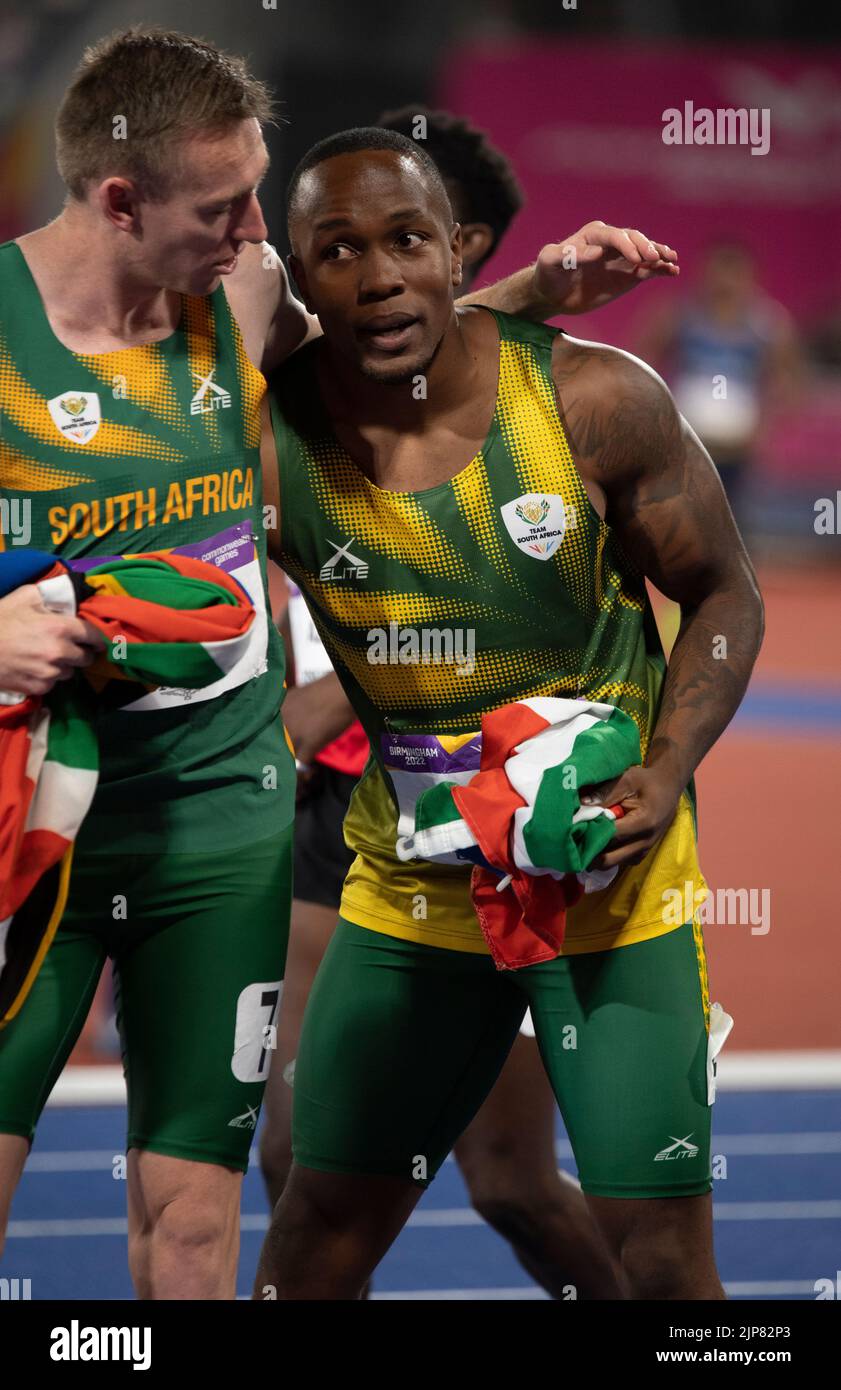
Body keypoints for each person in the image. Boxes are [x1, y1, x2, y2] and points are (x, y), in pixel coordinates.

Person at [0, 28, 677, 1299]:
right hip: (30, 829)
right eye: (225, 203)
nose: (258, 228)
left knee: (206, 1221)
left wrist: (535, 290)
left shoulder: (242, 301)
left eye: (256, 192)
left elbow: (394, 350)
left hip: (219, 824)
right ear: (118, 198)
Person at [254, 127, 764, 1301]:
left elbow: (724, 591)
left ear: (454, 250)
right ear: (300, 277)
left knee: (661, 1256)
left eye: (407, 242)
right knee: (317, 1219)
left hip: (609, 884)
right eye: (339, 252)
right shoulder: (273, 445)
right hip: (412, 887)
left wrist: (669, 761)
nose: (379, 274)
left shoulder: (590, 397)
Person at [635, 239, 800, 534]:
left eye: (734, 273)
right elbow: (641, 362)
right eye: (718, 272)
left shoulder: (769, 325)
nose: (725, 282)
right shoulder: (678, 316)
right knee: (680, 524)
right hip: (686, 441)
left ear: (749, 277)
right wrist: (656, 416)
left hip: (738, 448)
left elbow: (786, 382)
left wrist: (764, 426)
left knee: (730, 527)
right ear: (705, 274)